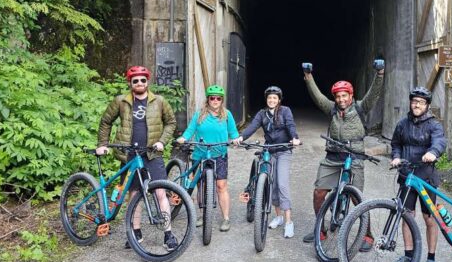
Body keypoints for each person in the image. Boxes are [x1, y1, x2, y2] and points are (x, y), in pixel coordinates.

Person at [96, 65, 178, 251]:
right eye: (135, 81)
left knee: (160, 192)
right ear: (130, 83)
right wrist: (103, 144)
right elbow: (106, 121)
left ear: (147, 81)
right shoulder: (120, 101)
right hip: (130, 155)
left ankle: (168, 234)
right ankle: (136, 232)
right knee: (134, 194)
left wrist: (163, 142)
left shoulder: (159, 101)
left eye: (143, 80)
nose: (139, 83)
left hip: (152, 153)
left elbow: (171, 122)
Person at [302, 62, 385, 246]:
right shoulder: (331, 109)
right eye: (338, 96)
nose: (341, 99)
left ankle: (367, 235)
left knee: (357, 198)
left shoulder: (360, 108)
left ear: (350, 95)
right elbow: (317, 97)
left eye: (344, 96)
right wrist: (308, 77)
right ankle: (320, 230)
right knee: (318, 193)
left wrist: (380, 74)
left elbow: (374, 94)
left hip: (354, 157)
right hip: (333, 156)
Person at [389, 87, 446, 262]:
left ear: (427, 105)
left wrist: (433, 152)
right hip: (407, 176)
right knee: (407, 215)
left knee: (430, 218)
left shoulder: (434, 125)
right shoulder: (402, 124)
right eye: (414, 101)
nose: (417, 105)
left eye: (421, 102)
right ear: (410, 102)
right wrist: (396, 156)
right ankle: (408, 255)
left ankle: (431, 258)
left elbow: (440, 142)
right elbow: (395, 143)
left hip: (426, 177)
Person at [233, 86, 301, 238]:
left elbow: (290, 125)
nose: (272, 100)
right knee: (272, 184)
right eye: (269, 98)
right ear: (267, 99)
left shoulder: (285, 111)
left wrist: (294, 138)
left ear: (279, 100)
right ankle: (278, 217)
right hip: (269, 150)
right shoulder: (262, 114)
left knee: (282, 184)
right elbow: (252, 126)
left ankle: (289, 222)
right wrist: (241, 138)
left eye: (275, 98)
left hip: (283, 150)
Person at [176, 84, 239, 231]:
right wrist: (183, 138)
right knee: (201, 186)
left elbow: (234, 132)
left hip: (219, 154)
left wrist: (236, 139)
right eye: (212, 98)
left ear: (221, 100)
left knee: (221, 186)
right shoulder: (199, 114)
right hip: (200, 154)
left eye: (218, 98)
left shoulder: (227, 114)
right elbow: (189, 131)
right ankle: (202, 215)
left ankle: (226, 218)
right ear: (208, 100)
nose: (215, 101)